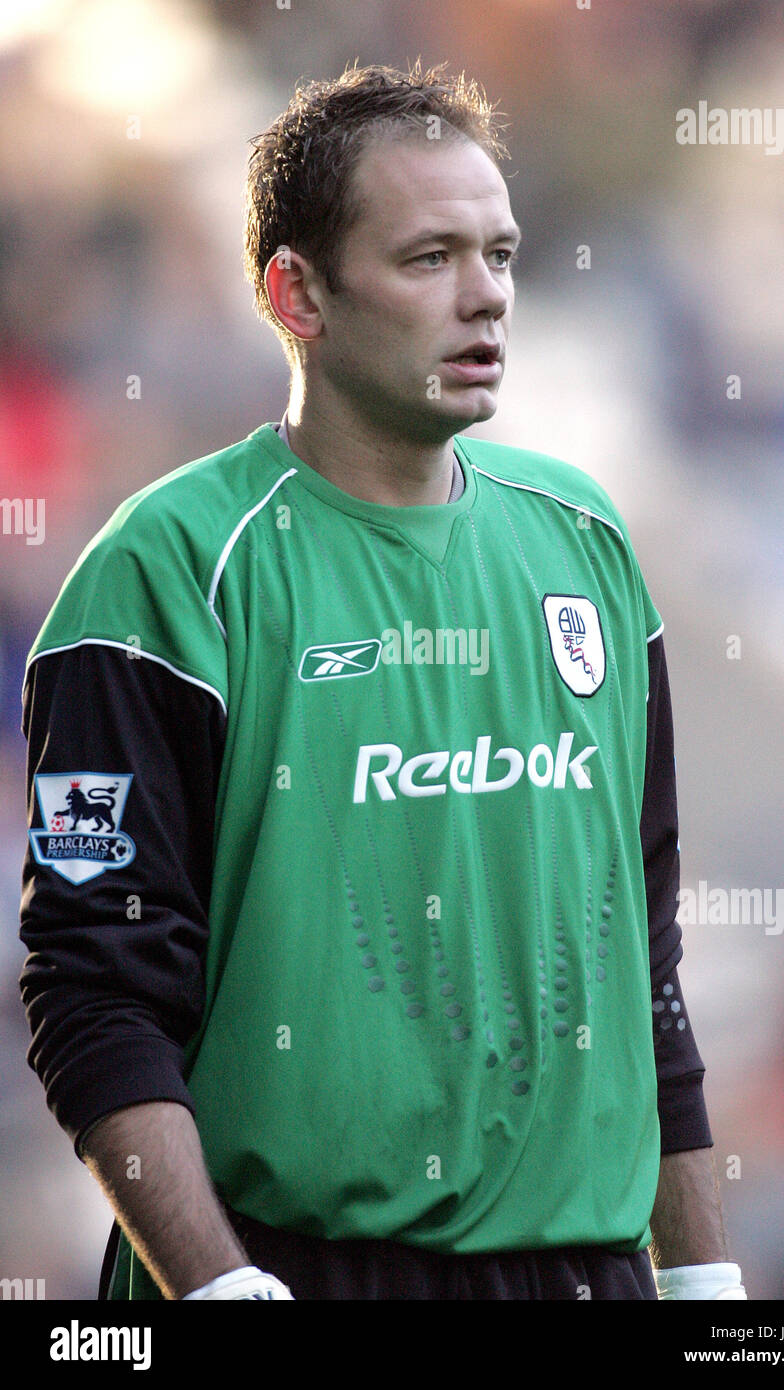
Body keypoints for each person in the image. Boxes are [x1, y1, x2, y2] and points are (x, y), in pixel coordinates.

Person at [19, 60, 745, 1302]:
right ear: (293, 292)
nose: (486, 299)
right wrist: (215, 1288)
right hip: (287, 1270)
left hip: (587, 1274)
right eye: (428, 260)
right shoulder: (167, 571)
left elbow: (645, 956)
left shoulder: (585, 546)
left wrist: (701, 1281)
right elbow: (95, 993)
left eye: (500, 254)